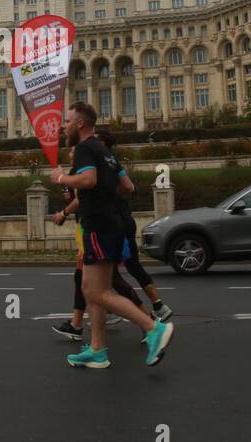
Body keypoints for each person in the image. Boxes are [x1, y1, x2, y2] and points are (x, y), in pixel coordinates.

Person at [52, 102, 173, 369]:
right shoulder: (105, 151)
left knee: (98, 292)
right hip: (114, 223)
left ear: (80, 123)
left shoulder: (84, 148)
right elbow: (127, 186)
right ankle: (97, 349)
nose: (64, 125)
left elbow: (88, 180)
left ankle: (153, 328)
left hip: (97, 225)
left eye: (67, 121)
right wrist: (106, 198)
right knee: (92, 289)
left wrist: (62, 178)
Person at [97, 129, 173, 322]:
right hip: (125, 220)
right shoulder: (114, 162)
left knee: (111, 273)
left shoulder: (102, 164)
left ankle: (145, 316)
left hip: (115, 224)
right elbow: (129, 187)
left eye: (95, 140)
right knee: (128, 267)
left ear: (103, 143)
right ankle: (154, 306)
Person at [51, 184, 144, 341]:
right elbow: (126, 186)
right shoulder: (88, 166)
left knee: (110, 280)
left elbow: (84, 197)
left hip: (97, 227)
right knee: (84, 279)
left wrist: (64, 212)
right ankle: (77, 326)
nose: (70, 157)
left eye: (71, 156)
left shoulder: (88, 165)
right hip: (92, 226)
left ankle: (150, 323)